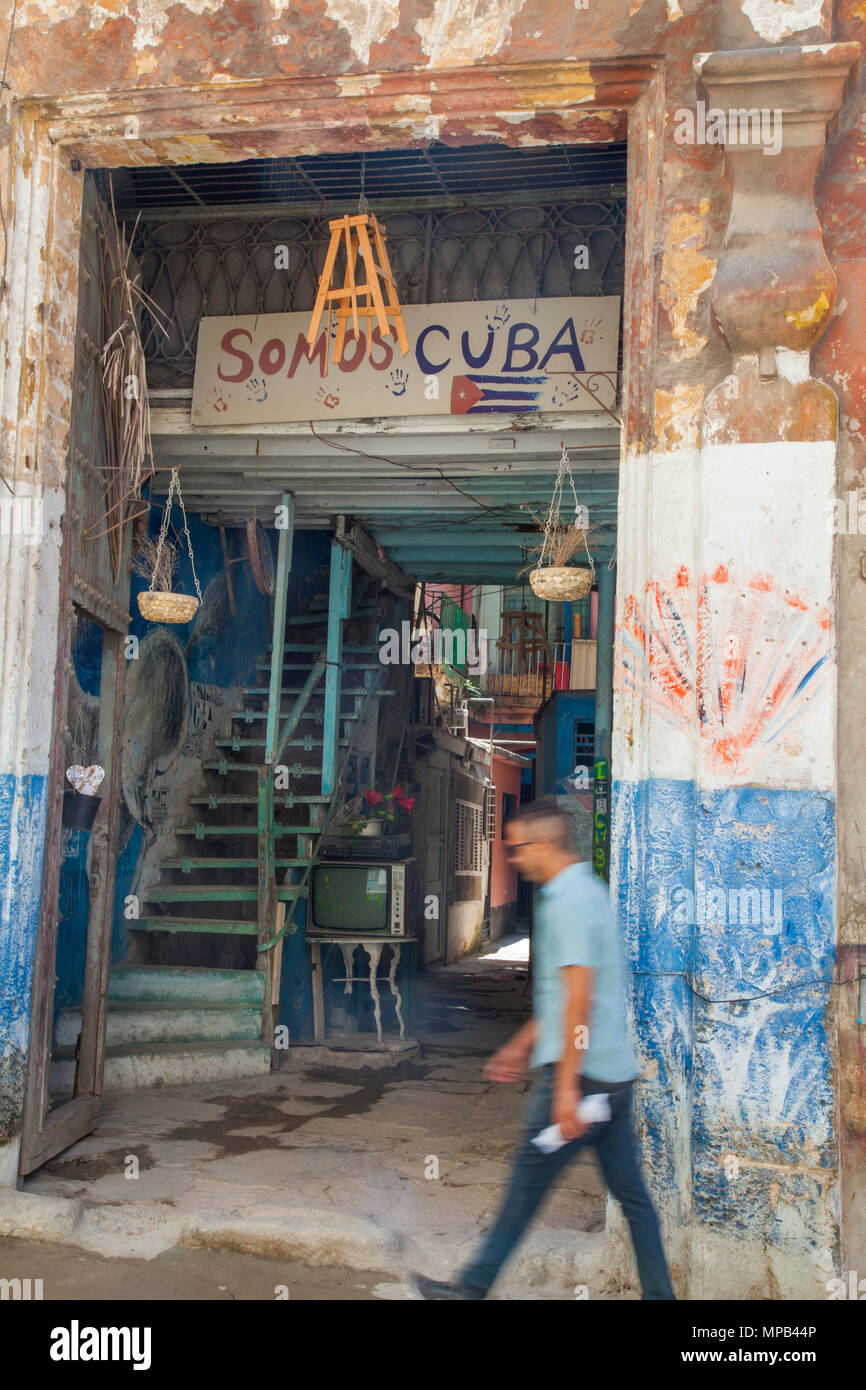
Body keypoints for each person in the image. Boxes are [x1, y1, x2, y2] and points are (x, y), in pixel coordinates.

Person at [412, 796, 675, 1301]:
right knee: (634, 1201)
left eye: (518, 849)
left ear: (546, 844)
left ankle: (470, 1290)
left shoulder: (569, 901)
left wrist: (567, 1089)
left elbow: (578, 1002)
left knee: (525, 1191)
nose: (513, 859)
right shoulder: (582, 891)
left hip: (584, 1079)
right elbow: (561, 997)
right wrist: (519, 1045)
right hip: (612, 1080)